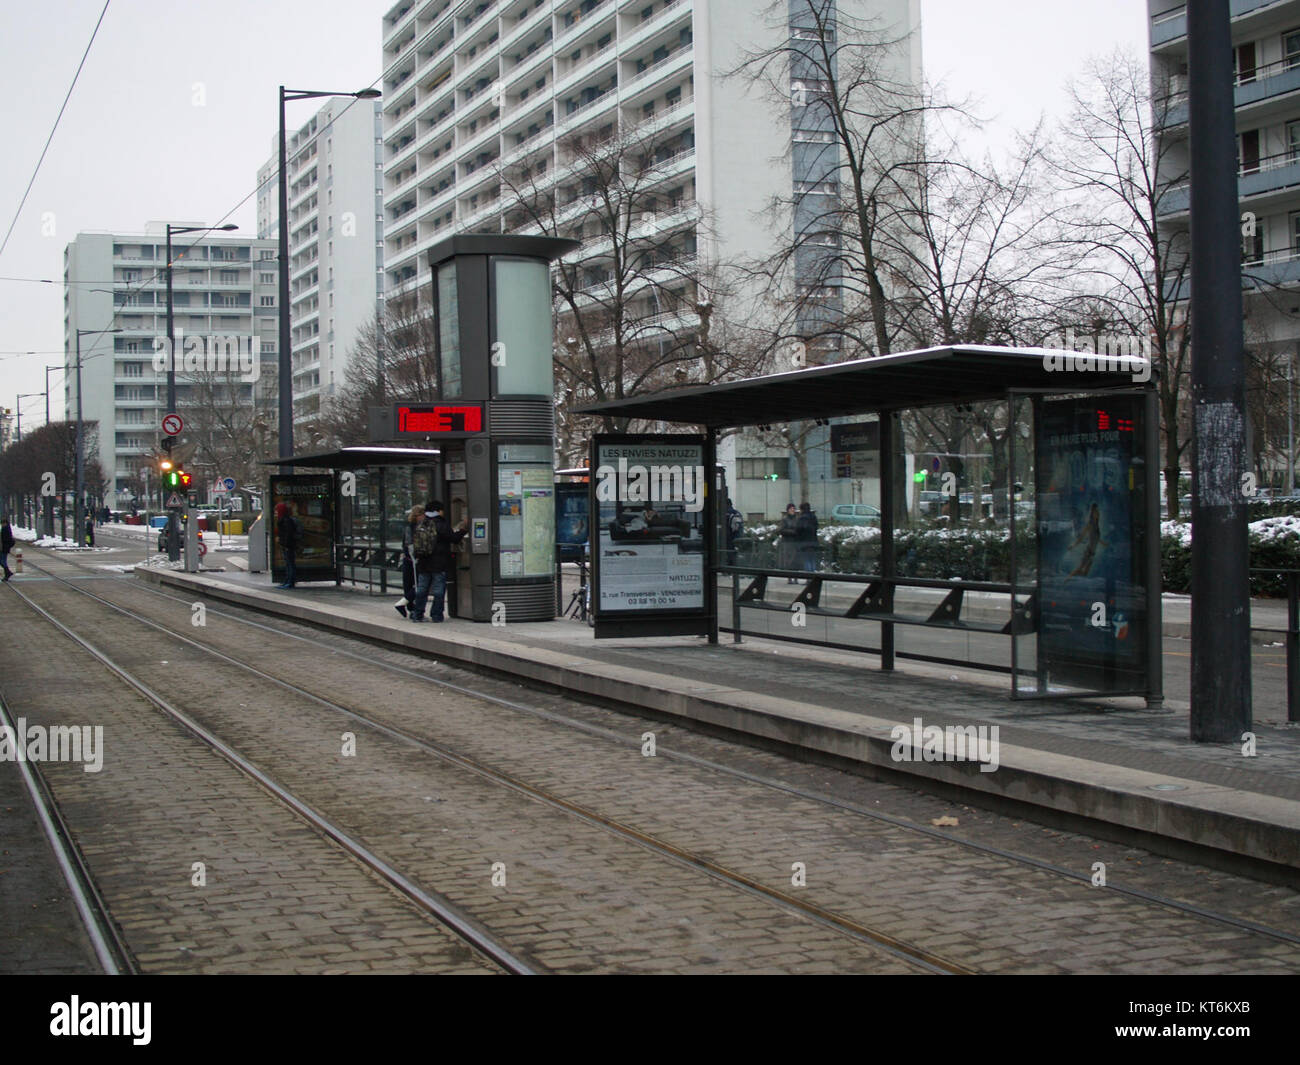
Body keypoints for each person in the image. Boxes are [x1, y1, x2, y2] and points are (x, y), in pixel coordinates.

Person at [410, 500, 468, 622]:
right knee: (438, 590)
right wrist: (463, 529)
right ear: (439, 511)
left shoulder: (422, 522)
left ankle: (417, 614)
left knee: (422, 589)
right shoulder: (441, 523)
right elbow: (454, 539)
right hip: (438, 562)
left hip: (423, 562)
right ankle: (436, 615)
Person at [394, 503, 424, 618]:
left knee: (411, 584)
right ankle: (408, 606)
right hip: (412, 559)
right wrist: (414, 556)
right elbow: (408, 544)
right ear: (417, 515)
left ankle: (407, 605)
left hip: (409, 559)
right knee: (416, 584)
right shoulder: (413, 528)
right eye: (422, 514)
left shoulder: (410, 527)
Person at [275, 502, 302, 589]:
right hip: (287, 545)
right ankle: (288, 581)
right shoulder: (285, 519)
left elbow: (288, 534)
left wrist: (285, 544)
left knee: (290, 564)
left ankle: (290, 581)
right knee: (288, 564)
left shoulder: (286, 521)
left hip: (288, 546)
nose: (275, 513)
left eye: (277, 511)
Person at [795, 501, 819, 575]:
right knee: (812, 559)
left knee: (806, 560)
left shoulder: (801, 518)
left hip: (804, 542)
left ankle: (808, 577)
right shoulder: (813, 517)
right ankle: (813, 576)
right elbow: (816, 527)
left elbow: (798, 530)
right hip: (814, 541)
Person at [778, 503, 799, 583]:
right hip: (787, 541)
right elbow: (781, 530)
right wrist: (792, 532)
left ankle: (796, 578)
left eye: (794, 508)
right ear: (788, 510)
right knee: (788, 560)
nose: (793, 510)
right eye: (791, 508)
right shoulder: (785, 519)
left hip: (795, 542)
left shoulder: (797, 519)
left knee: (795, 560)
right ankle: (789, 577)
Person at [724, 497, 742, 566]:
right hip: (737, 538)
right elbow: (738, 527)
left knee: (730, 554)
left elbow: (733, 528)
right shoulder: (737, 513)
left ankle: (730, 568)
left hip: (730, 538)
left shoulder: (726, 514)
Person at [1, 516, 14, 582]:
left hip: (4, 549)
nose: (2, 525)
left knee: (3, 561)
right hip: (4, 548)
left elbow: (5, 540)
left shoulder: (5, 529)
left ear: (5, 523)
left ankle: (7, 574)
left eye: (2, 523)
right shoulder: (7, 528)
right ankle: (8, 573)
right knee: (2, 561)